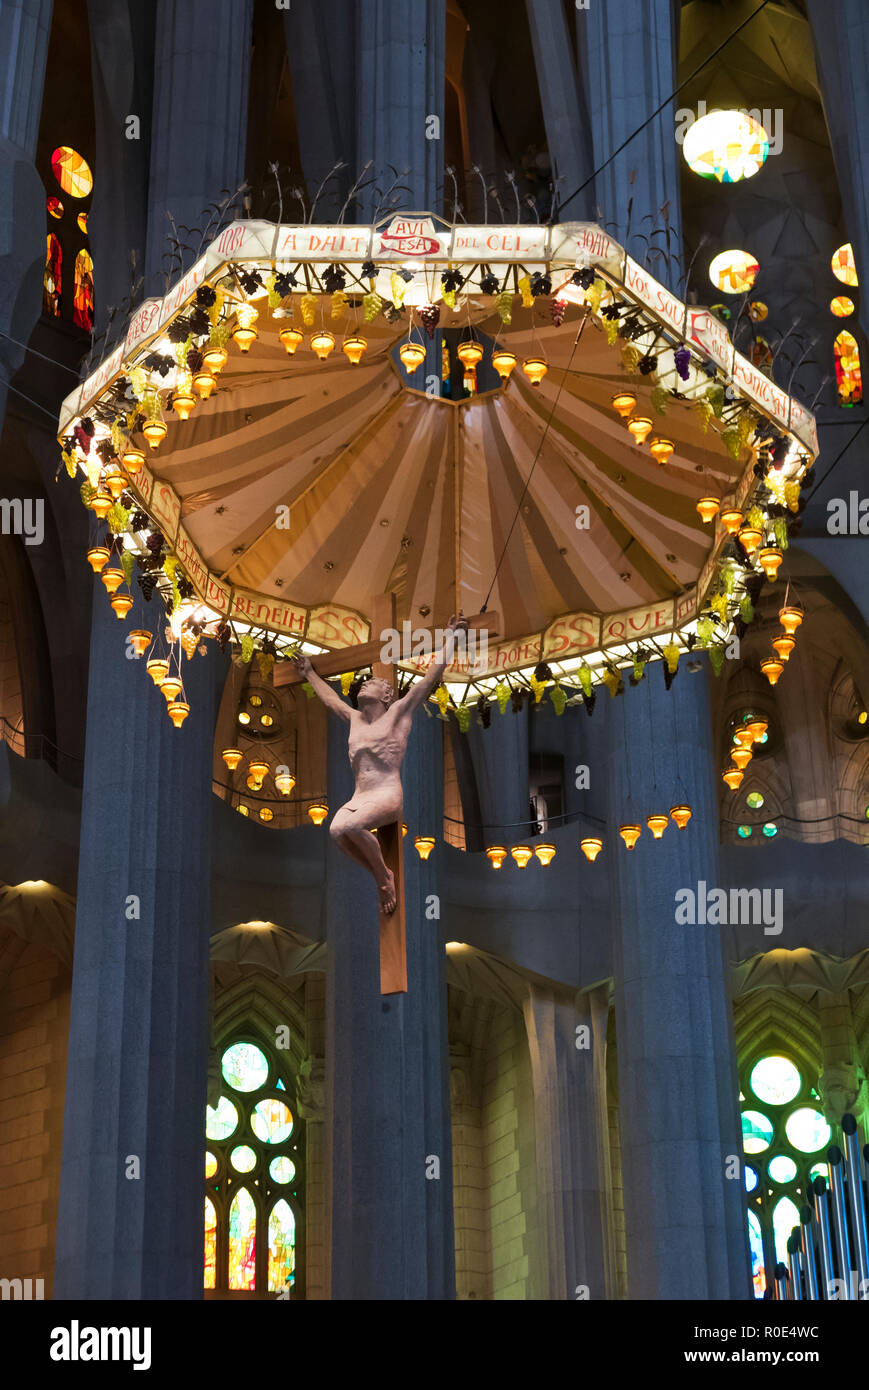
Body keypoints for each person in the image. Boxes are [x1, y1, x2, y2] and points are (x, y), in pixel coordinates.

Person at [293, 614, 469, 914]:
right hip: (359, 795)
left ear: (387, 694)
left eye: (372, 683)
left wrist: (451, 638)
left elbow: (429, 679)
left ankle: (384, 880)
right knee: (336, 832)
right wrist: (309, 672)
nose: (364, 684)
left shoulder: (398, 712)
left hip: (387, 793)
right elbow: (330, 701)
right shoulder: (354, 719)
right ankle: (381, 874)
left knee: (350, 825)